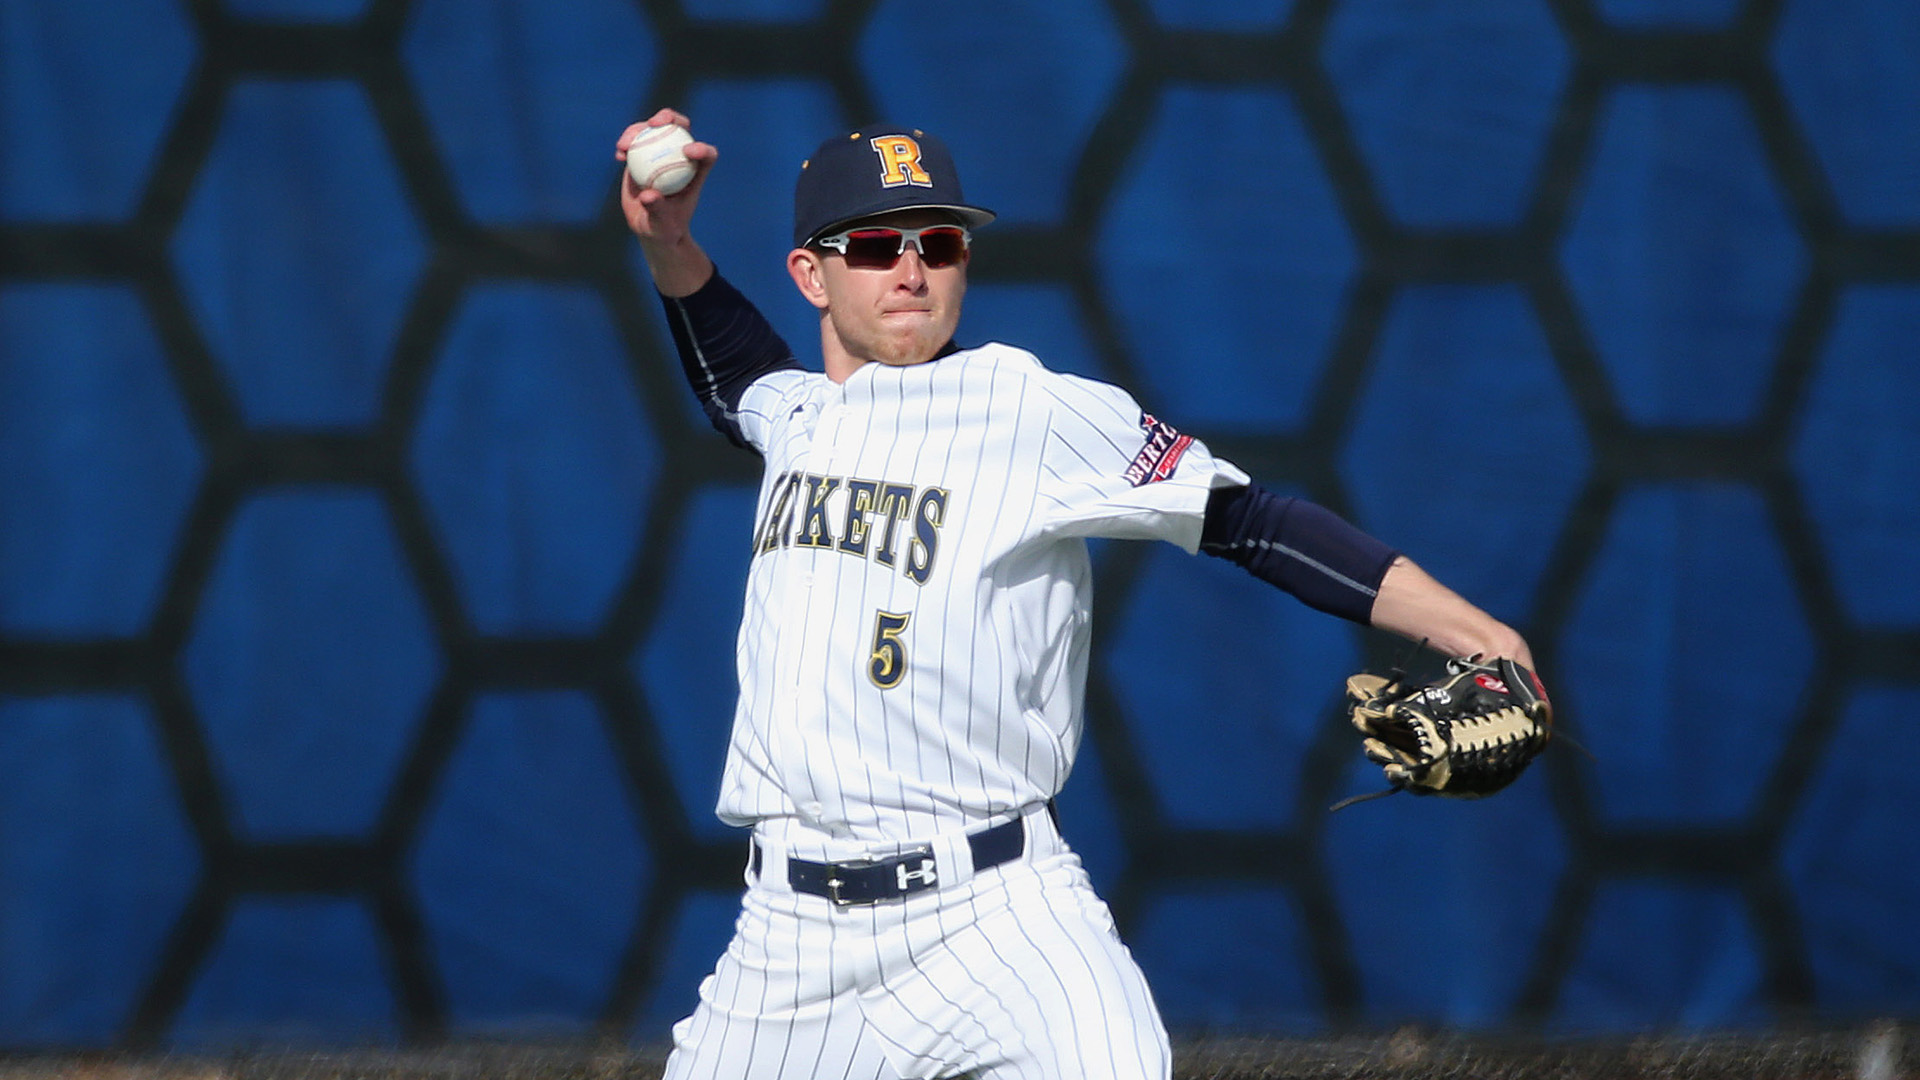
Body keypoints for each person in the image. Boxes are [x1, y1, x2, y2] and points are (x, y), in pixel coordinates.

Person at [615, 107, 1538, 1080]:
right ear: (811, 274)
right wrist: (670, 246)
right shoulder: (797, 418)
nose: (912, 270)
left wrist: (1483, 635)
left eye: (939, 241)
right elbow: (736, 377)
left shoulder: (1031, 409)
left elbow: (1253, 521)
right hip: (791, 939)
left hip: (995, 918)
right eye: (877, 245)